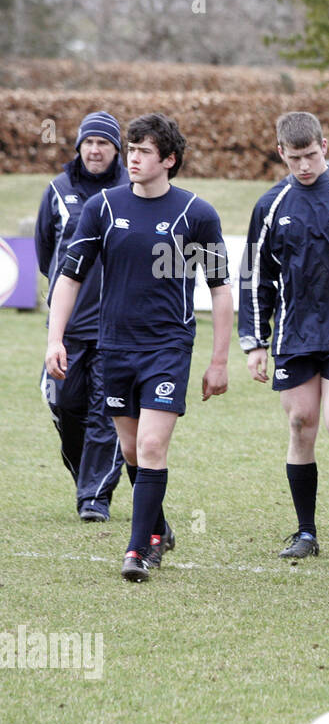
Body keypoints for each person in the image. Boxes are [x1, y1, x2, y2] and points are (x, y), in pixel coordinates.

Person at [45, 113, 230, 582]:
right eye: (131, 150)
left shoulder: (196, 214)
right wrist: (54, 338)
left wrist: (219, 360)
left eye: (144, 151)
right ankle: (159, 524)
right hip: (114, 349)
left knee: (150, 445)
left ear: (169, 160)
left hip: (168, 347)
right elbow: (69, 276)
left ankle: (139, 549)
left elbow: (220, 288)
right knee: (130, 449)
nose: (134, 159)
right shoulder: (103, 208)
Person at [240, 111, 329, 558]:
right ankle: (306, 534)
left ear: (326, 147)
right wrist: (255, 342)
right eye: (295, 157)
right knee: (300, 425)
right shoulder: (271, 206)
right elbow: (257, 277)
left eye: (312, 155)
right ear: (281, 152)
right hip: (295, 336)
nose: (304, 165)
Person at [35, 110, 129, 522]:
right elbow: (44, 253)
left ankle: (95, 497)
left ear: (116, 151)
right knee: (64, 404)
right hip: (69, 325)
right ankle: (86, 478)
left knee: (105, 412)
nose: (95, 150)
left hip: (117, 326)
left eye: (103, 144)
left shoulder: (132, 189)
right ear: (78, 147)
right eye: (88, 143)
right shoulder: (57, 191)